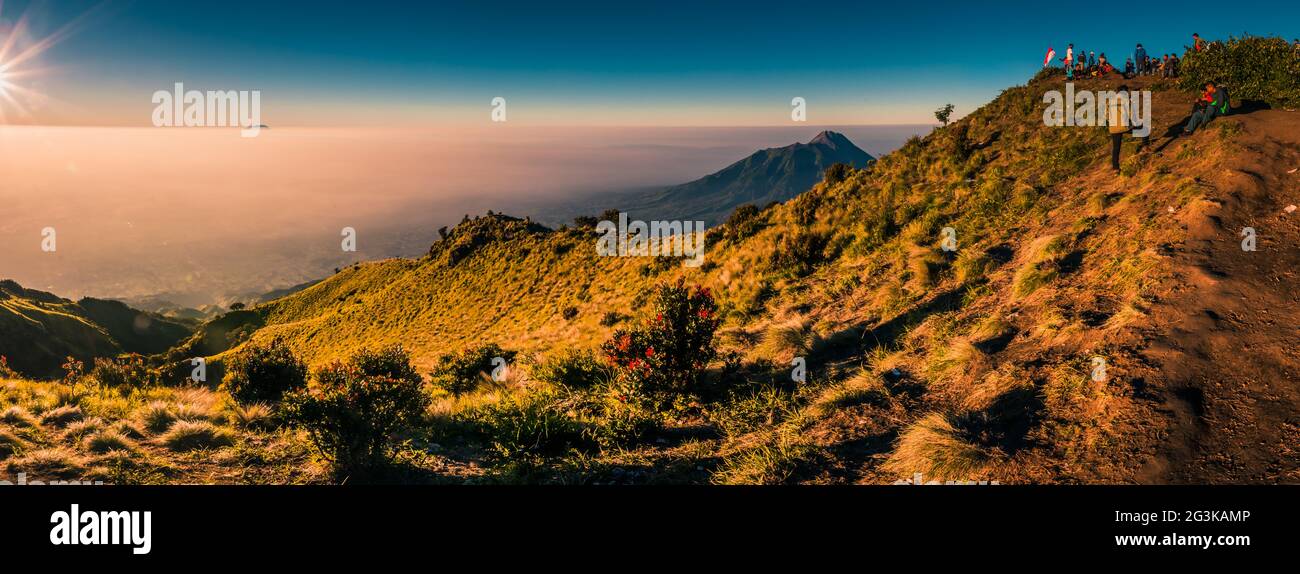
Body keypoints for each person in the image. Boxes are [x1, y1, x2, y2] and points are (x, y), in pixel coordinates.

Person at [1109, 85, 1132, 172]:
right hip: (1124, 126)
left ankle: (1115, 168)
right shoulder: (1126, 100)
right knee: (1144, 128)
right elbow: (1131, 113)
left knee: (1116, 148)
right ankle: (1145, 147)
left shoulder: (1110, 100)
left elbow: (1106, 115)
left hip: (1113, 127)